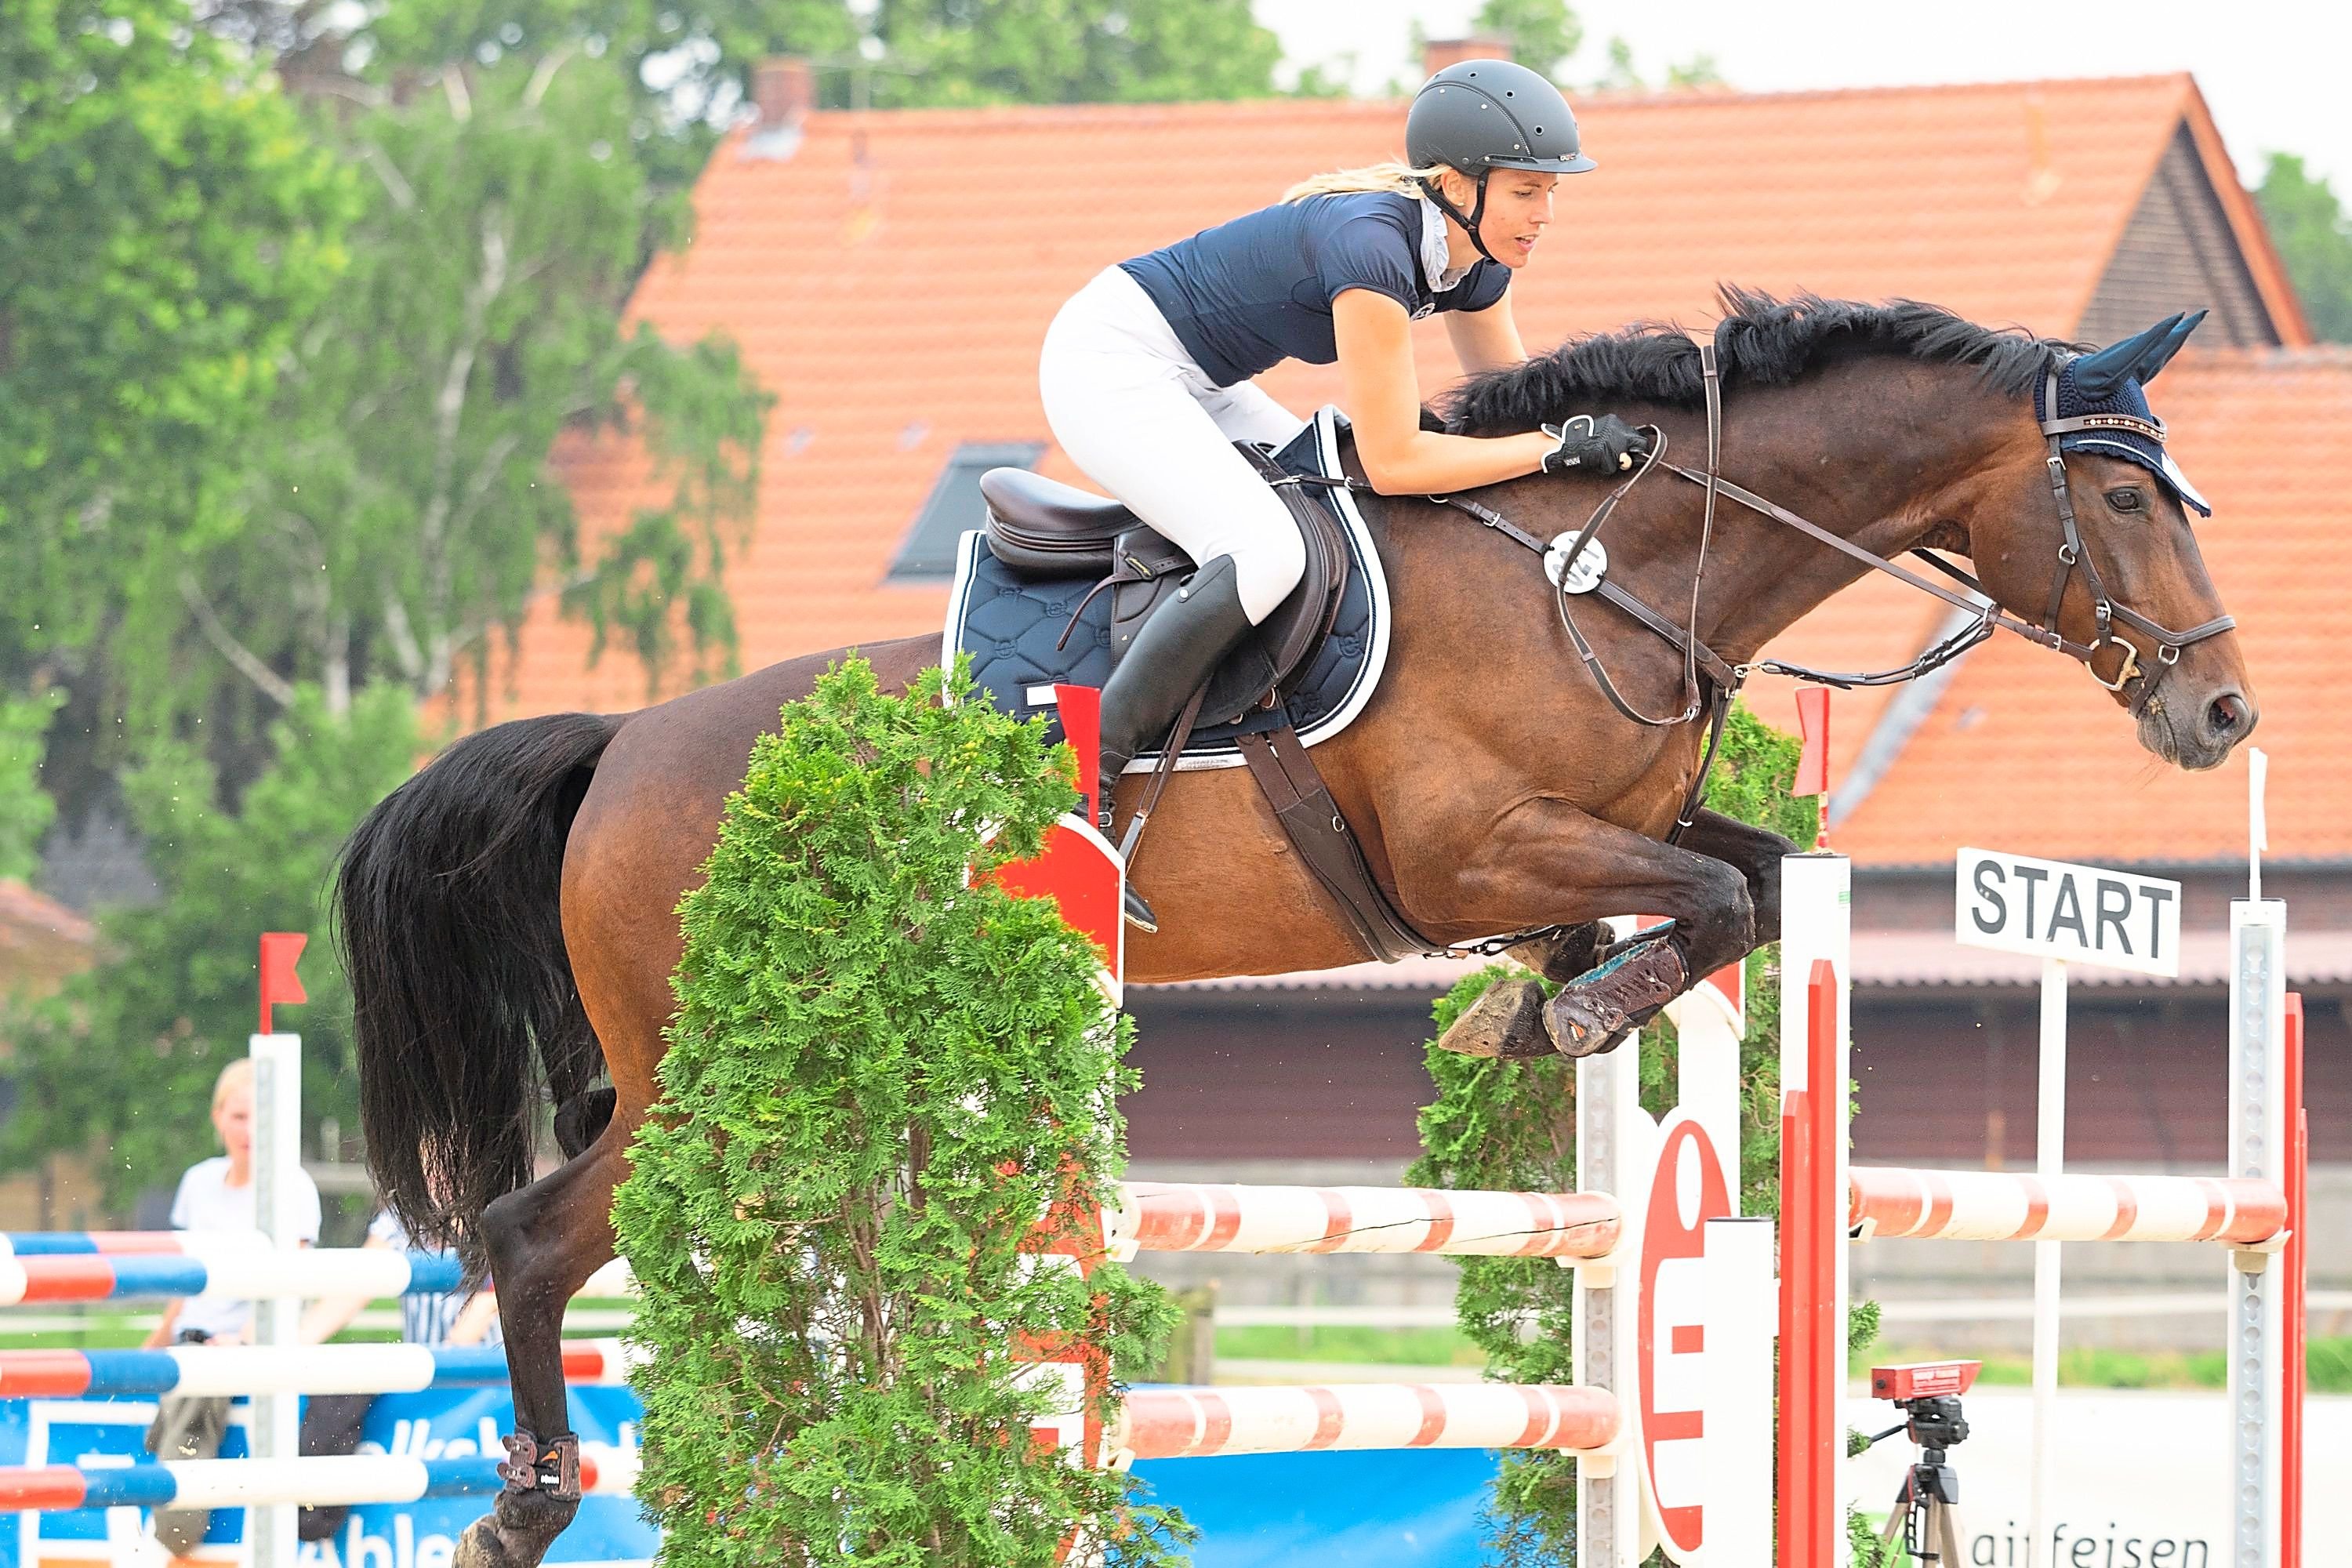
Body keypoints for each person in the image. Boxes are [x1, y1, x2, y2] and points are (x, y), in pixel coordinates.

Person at [1039, 58, 1651, 931]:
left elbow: (1511, 404)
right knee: (1267, 550)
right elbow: (1400, 460)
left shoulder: (1473, 264)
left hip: (1201, 378)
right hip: (1110, 364)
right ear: (1456, 186)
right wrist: (1552, 452)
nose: (1545, 216)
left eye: (1550, 193)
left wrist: (1596, 438)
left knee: (1328, 515)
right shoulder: (1373, 249)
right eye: (1526, 193)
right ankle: (1081, 787)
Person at [142, 1057, 325, 1555]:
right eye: (239, 1116)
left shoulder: (293, 1186)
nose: (248, 1130)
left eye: (259, 1117)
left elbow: (295, 1276)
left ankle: (175, 1537)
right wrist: (155, 1342)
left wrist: (242, 1339)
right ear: (217, 1117)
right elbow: (186, 1283)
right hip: (192, 1342)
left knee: (190, 1424)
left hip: (239, 1348)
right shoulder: (199, 1182)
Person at [292, 1207, 499, 1541]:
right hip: (428, 1381)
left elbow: (490, 1303)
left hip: (488, 1384)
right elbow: (355, 1287)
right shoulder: (402, 1215)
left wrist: (459, 1342)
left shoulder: (500, 1201)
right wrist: (290, 1348)